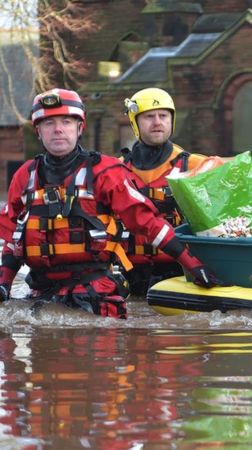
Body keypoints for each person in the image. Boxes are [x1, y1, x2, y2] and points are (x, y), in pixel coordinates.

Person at [0, 88, 221, 318]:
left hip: (94, 294)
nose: (58, 129)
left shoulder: (106, 172)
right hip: (39, 293)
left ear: (79, 127)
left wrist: (194, 265)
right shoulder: (25, 176)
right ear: (38, 131)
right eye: (49, 123)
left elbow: (146, 221)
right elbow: (12, 236)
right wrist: (4, 283)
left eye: (66, 121)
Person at [119, 87, 209, 295]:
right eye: (149, 116)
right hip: (130, 272)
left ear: (172, 120)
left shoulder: (195, 165)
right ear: (135, 122)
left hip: (180, 271)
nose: (157, 122)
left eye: (163, 116)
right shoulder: (117, 170)